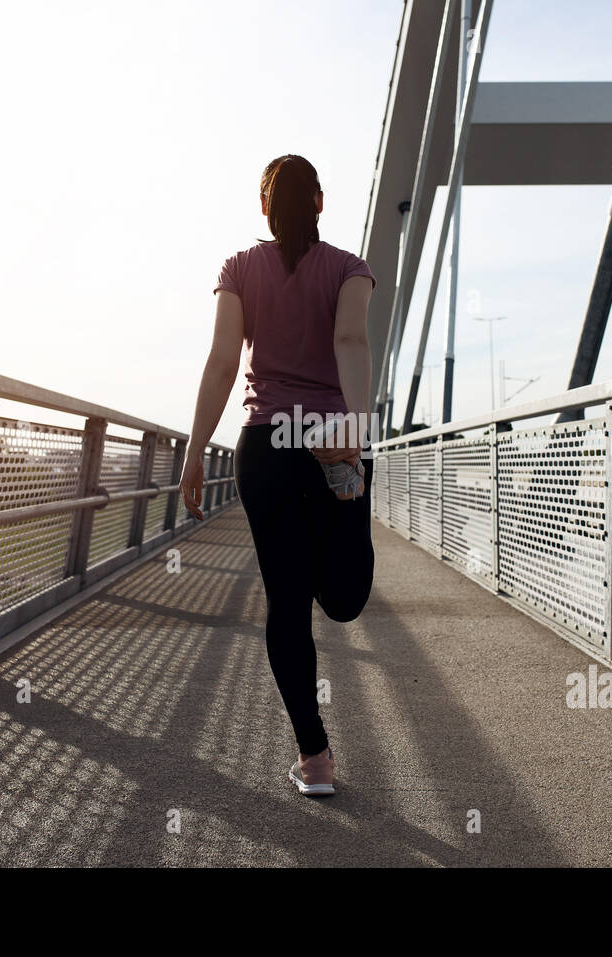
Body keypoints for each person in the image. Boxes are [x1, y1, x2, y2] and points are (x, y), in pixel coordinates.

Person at [180, 154, 376, 797]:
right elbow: (350, 343)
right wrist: (355, 428)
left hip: (264, 445)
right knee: (343, 601)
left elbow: (220, 363)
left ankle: (314, 759)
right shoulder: (349, 269)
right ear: (321, 201)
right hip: (327, 440)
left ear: (264, 208)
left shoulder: (238, 269)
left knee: (286, 604)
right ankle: (346, 494)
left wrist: (194, 447)